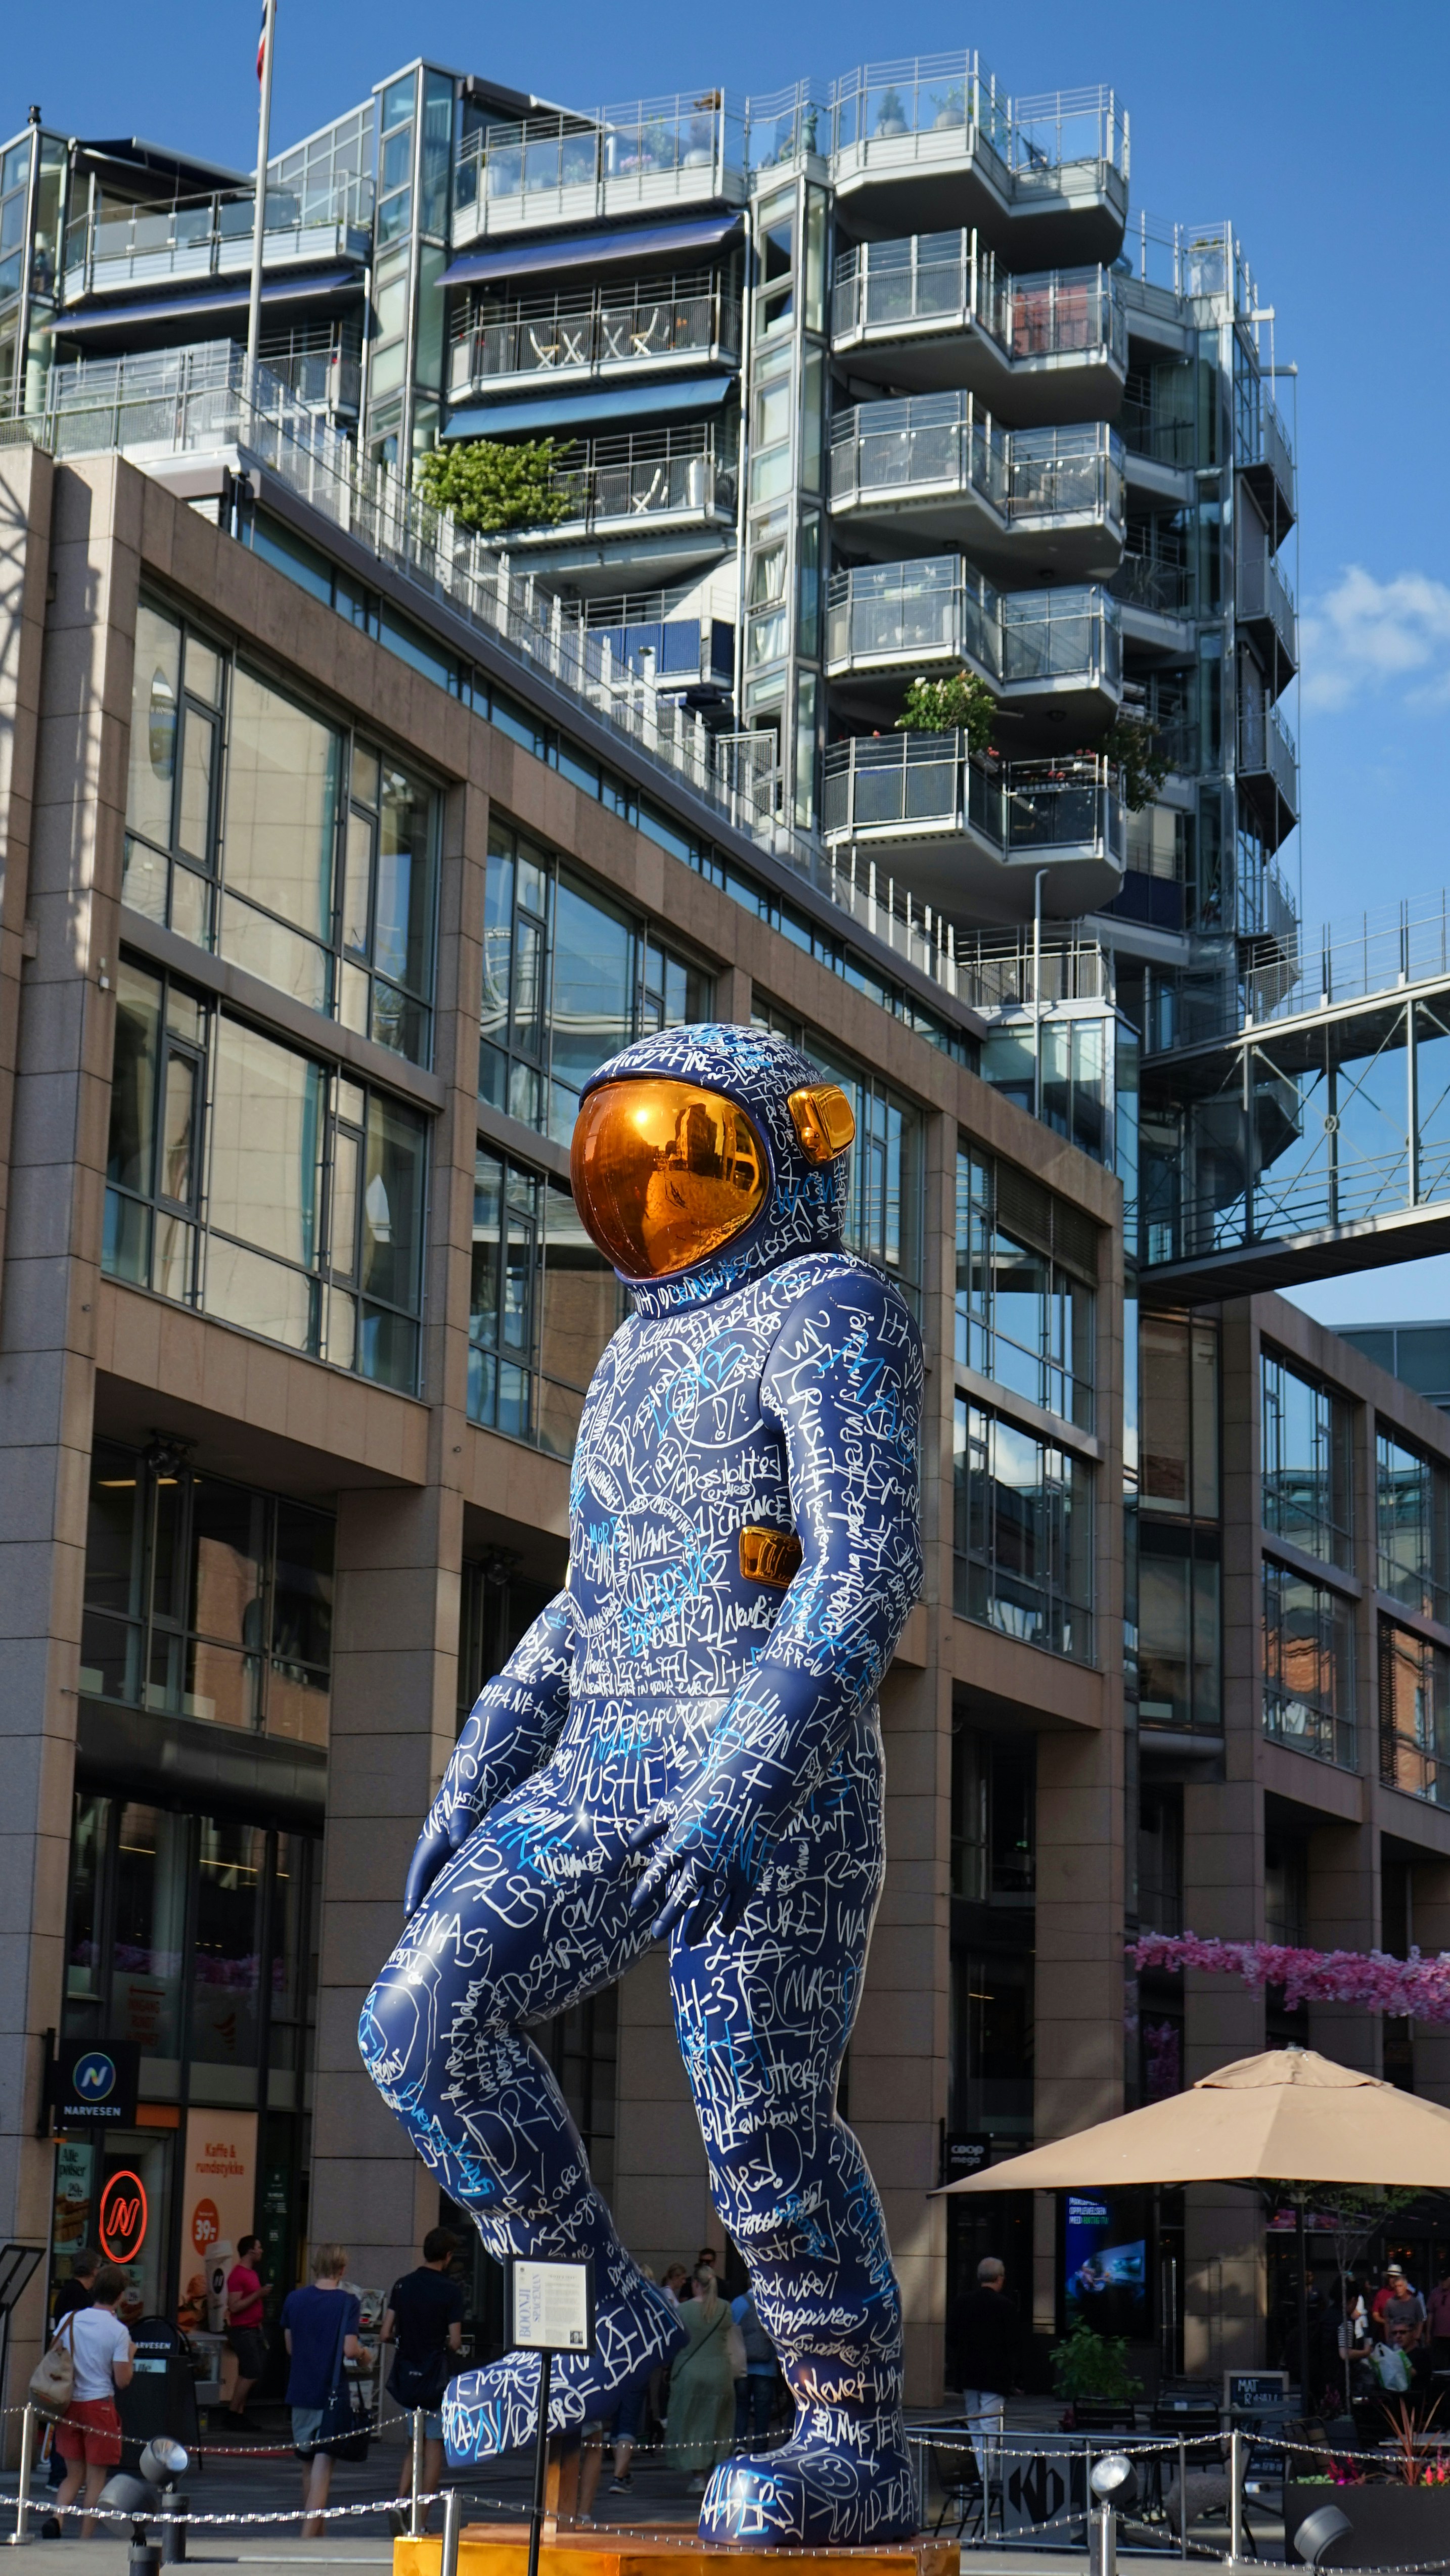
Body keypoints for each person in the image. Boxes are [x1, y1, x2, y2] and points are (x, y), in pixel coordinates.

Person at [362, 1027, 924, 2547]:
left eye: (683, 1157)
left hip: (770, 1766)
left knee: (759, 2126)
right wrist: (484, 1755)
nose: (646, 1192)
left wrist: (751, 1776)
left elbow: (863, 1570)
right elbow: (591, 1592)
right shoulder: (628, 1351)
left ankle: (853, 2434)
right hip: (604, 1757)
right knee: (418, 2018)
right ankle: (599, 2306)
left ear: (787, 1151)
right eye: (621, 1160)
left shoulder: (831, 1306)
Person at [380, 2227, 463, 2532]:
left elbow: (385, 2333)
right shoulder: (451, 2291)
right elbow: (455, 2341)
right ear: (448, 2256)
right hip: (435, 2378)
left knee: (413, 2445)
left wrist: (408, 2342)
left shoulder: (403, 2285)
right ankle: (420, 2520)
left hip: (408, 2376)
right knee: (434, 2446)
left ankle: (400, 2501)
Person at [282, 2242, 361, 2539]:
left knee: (307, 2465)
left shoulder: (294, 2299)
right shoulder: (347, 2302)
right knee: (324, 2467)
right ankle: (306, 2539)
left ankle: (319, 2537)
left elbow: (290, 2347)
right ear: (342, 2269)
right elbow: (350, 2349)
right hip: (332, 2392)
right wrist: (365, 2355)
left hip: (301, 2389)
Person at [51, 2261, 134, 2538]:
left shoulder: (70, 2319)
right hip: (99, 2405)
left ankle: (57, 2518)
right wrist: (131, 2355)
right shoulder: (118, 2331)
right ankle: (85, 2539)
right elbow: (122, 2380)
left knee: (73, 2474)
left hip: (69, 2404)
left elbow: (55, 2355)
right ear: (120, 2296)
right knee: (95, 2479)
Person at [665, 2267, 738, 2493]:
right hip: (721, 2372)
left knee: (693, 2425)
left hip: (691, 2372)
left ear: (696, 2284)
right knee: (720, 2424)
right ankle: (718, 2472)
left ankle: (698, 2477)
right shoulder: (725, 2308)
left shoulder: (683, 2310)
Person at [953, 2258, 1022, 2488]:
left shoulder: (962, 2303)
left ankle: (978, 2472)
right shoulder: (1006, 2306)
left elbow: (952, 2338)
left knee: (974, 2423)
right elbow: (1013, 2344)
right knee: (990, 2425)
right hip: (995, 2376)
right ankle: (984, 2476)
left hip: (969, 2374)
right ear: (999, 2279)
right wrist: (1015, 2377)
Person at [43, 2252, 100, 2507]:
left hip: (66, 2367)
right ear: (93, 2270)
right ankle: (61, 2475)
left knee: (65, 2423)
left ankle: (62, 2475)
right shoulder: (80, 2297)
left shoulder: (68, 2292)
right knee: (67, 2425)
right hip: (73, 2369)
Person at [225, 2233, 273, 2424]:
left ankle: (239, 2414)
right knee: (253, 2372)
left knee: (246, 2373)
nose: (262, 2251)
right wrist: (258, 2294)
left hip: (253, 2329)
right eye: (259, 2247)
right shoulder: (238, 2275)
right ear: (251, 2251)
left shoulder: (252, 2274)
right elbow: (234, 2306)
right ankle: (232, 2413)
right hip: (243, 2331)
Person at [731, 2288, 777, 2447]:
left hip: (742, 2366)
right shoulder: (773, 2303)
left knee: (741, 2406)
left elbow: (730, 2330)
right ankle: (760, 2449)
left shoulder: (738, 2303)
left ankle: (739, 2445)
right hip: (766, 2367)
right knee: (763, 2411)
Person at [1426, 2265, 1450, 2373]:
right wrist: (1428, 2334)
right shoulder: (1435, 2293)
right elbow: (1430, 2314)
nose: (1443, 2282)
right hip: (1438, 2336)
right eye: (1441, 2280)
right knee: (1439, 2364)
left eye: (1445, 2280)